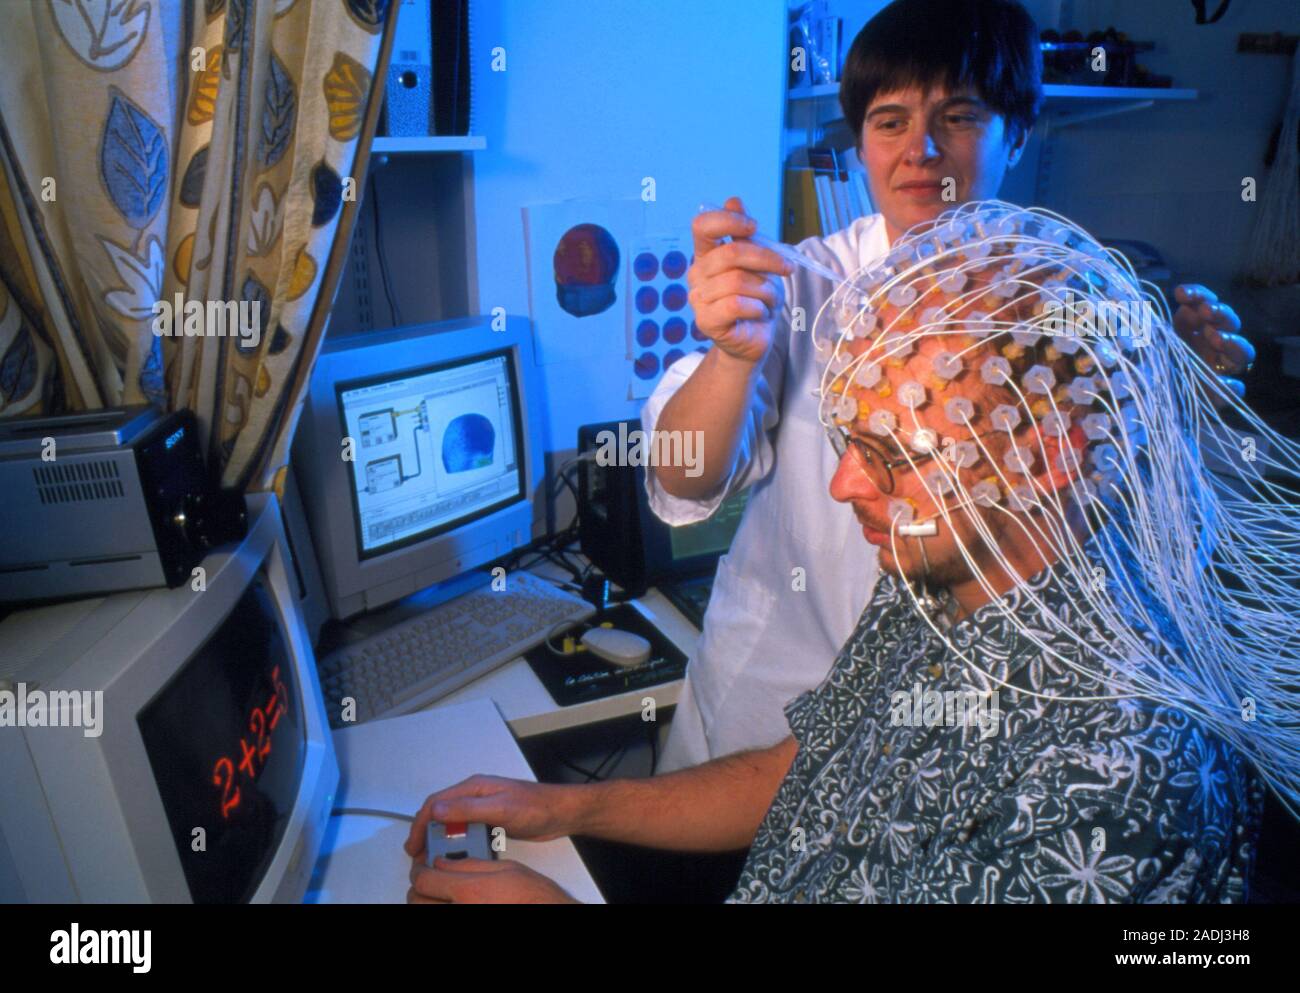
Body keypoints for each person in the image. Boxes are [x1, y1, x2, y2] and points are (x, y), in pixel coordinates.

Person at [401, 200, 1286, 903]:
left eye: (895, 458)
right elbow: (807, 769)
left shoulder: (1121, 776)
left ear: (1047, 453)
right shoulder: (936, 579)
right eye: (849, 445)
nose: (844, 487)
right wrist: (570, 806)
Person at [644, 0, 1253, 772]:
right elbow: (681, 473)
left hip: (956, 739)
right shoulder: (802, 288)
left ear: (1018, 132)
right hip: (766, 712)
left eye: (959, 117)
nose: (920, 151)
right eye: (889, 121)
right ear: (861, 145)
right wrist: (732, 358)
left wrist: (1189, 390)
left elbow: (1125, 506)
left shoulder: (1059, 304)